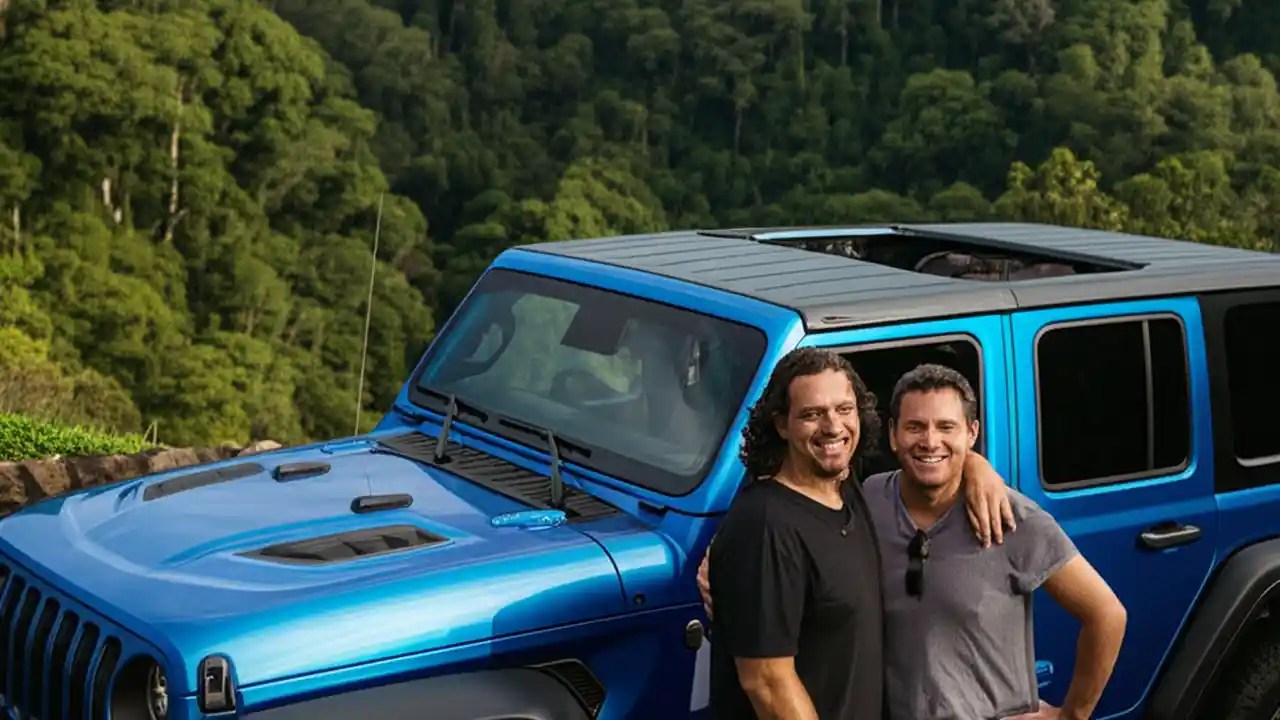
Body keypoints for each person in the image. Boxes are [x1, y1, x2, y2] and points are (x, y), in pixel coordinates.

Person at [704, 348, 1015, 720]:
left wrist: (975, 466)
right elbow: (767, 684)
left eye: (844, 409)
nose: (833, 427)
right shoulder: (764, 526)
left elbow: (930, 453)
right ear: (782, 425)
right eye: (812, 414)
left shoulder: (846, 485)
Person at [864, 363, 1126, 720]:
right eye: (915, 427)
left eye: (946, 427)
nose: (929, 441)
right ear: (893, 434)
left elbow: (1107, 615)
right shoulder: (871, 498)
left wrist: (1072, 715)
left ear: (972, 433)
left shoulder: (1010, 517)